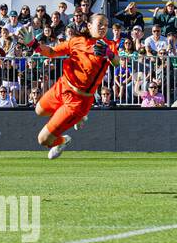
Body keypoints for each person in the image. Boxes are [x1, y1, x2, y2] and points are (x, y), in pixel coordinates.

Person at [21, 12, 120, 159]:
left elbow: (116, 62)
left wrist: (109, 55)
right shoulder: (76, 41)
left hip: (78, 101)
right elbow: (53, 52)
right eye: (100, 24)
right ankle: (76, 120)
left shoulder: (109, 46)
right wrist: (33, 44)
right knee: (39, 110)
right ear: (89, 25)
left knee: (43, 140)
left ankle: (62, 140)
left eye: (106, 25)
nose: (104, 28)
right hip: (63, 85)